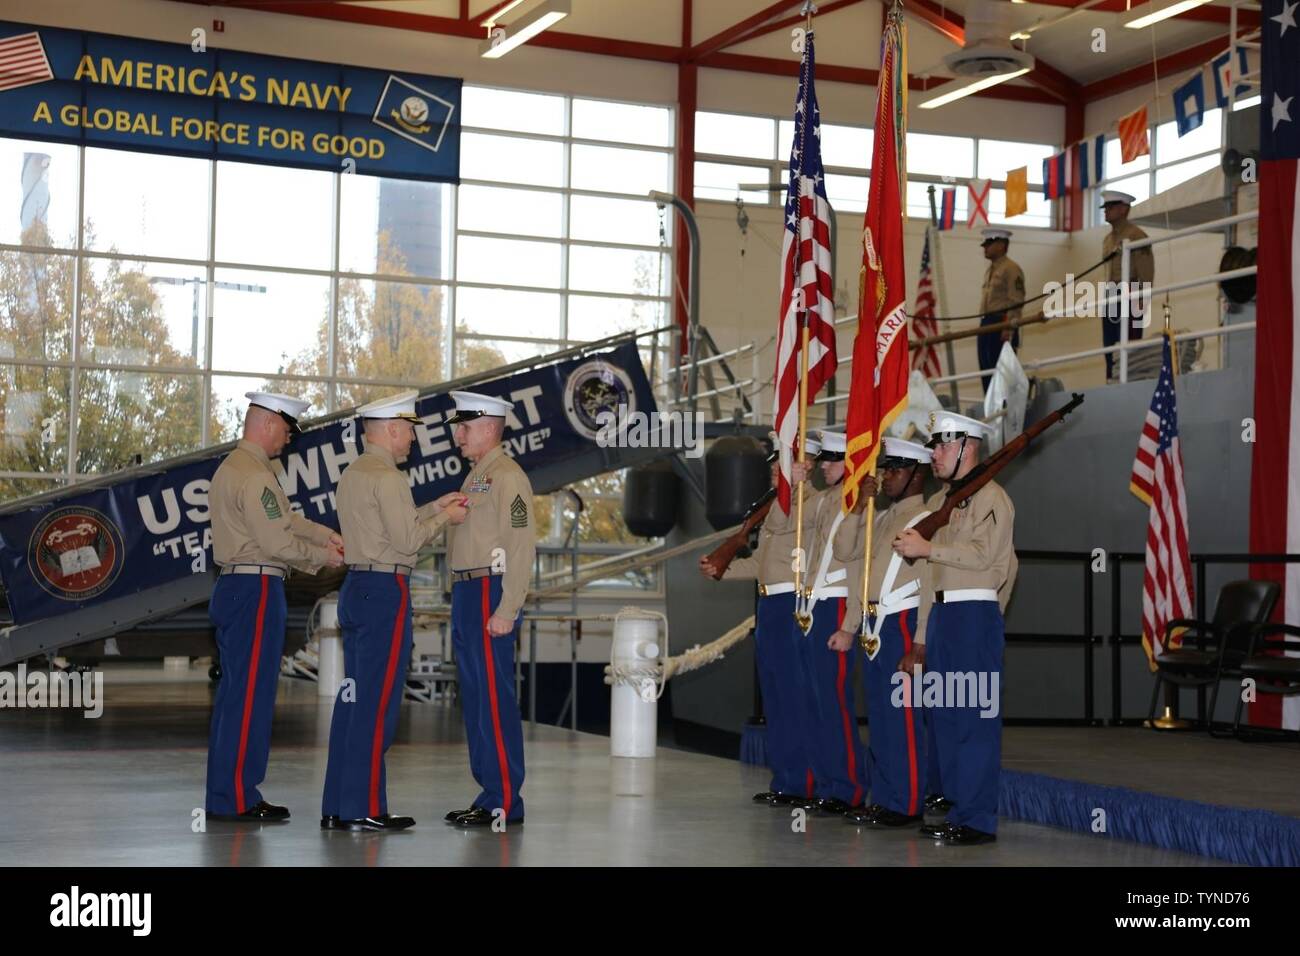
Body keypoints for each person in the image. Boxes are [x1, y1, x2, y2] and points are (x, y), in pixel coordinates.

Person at [322, 391, 469, 832]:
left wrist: (433, 507)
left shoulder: (354, 474)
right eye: (408, 430)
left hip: (357, 587)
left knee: (352, 699)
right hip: (385, 590)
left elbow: (387, 526)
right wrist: (446, 519)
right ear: (390, 429)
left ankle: (338, 804)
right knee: (378, 703)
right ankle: (365, 807)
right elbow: (406, 541)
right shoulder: (389, 478)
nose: (412, 439)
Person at [206, 392, 344, 822]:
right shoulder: (255, 475)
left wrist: (323, 535)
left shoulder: (236, 468)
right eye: (285, 430)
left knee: (239, 694)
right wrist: (323, 558)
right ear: (267, 424)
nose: (287, 439)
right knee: (250, 696)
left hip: (239, 587)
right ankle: (236, 798)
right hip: (256, 589)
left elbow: (285, 520)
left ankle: (232, 792)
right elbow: (278, 541)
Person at [892, 412, 1017, 846]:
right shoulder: (945, 501)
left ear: (970, 447)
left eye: (945, 445)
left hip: (974, 616)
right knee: (944, 716)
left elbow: (984, 556)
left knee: (973, 719)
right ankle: (956, 807)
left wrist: (929, 546)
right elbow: (931, 578)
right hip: (944, 617)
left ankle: (977, 819)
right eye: (936, 445)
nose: (936, 454)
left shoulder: (992, 498)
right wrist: (922, 636)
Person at [699, 438, 821, 809]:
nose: (772, 472)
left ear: (806, 467)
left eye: (780, 465)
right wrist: (722, 568)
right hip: (769, 603)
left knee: (796, 697)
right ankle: (785, 779)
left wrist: (789, 491)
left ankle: (806, 781)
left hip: (794, 603)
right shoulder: (774, 506)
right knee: (776, 698)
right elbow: (761, 564)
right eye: (773, 467)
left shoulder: (815, 505)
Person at [443, 390, 534, 828]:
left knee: (494, 699)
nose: (458, 435)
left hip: (489, 590)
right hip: (467, 591)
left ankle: (503, 800)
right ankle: (488, 793)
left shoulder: (508, 476)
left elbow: (520, 546)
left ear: (489, 427)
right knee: (477, 698)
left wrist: (508, 606)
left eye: (465, 427)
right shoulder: (477, 476)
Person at [830, 437, 933, 829]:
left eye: (896, 470)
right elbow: (844, 552)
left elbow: (930, 586)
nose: (887, 476)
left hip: (902, 622)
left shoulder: (926, 520)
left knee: (902, 718)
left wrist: (921, 639)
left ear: (916, 475)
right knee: (880, 716)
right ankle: (886, 797)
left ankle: (907, 803)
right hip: (874, 624)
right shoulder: (881, 517)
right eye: (887, 469)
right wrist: (859, 505)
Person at [797, 429, 869, 816]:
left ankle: (849, 786)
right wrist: (796, 479)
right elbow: (789, 518)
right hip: (815, 604)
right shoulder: (825, 500)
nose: (824, 465)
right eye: (823, 458)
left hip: (838, 603)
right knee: (816, 700)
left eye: (831, 459)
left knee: (835, 701)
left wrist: (851, 623)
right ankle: (826, 781)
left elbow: (857, 568)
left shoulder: (859, 502)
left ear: (850, 462)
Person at [1100, 190, 1154, 381]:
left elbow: (1146, 270)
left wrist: (1142, 299)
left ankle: (1128, 380)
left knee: (1129, 342)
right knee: (1109, 344)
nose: (1106, 211)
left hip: (1131, 292)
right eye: (1105, 207)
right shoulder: (1108, 240)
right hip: (1111, 293)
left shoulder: (1137, 236)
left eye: (1110, 207)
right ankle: (1111, 380)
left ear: (1123, 209)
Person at [976, 228, 1025, 394]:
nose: (985, 248)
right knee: (987, 371)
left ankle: (1003, 405)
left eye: (989, 244)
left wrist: (1008, 326)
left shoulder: (1011, 269)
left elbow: (1016, 300)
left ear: (1001, 246)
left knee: (1002, 372)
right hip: (987, 323)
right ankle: (990, 404)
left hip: (1001, 323)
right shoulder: (991, 270)